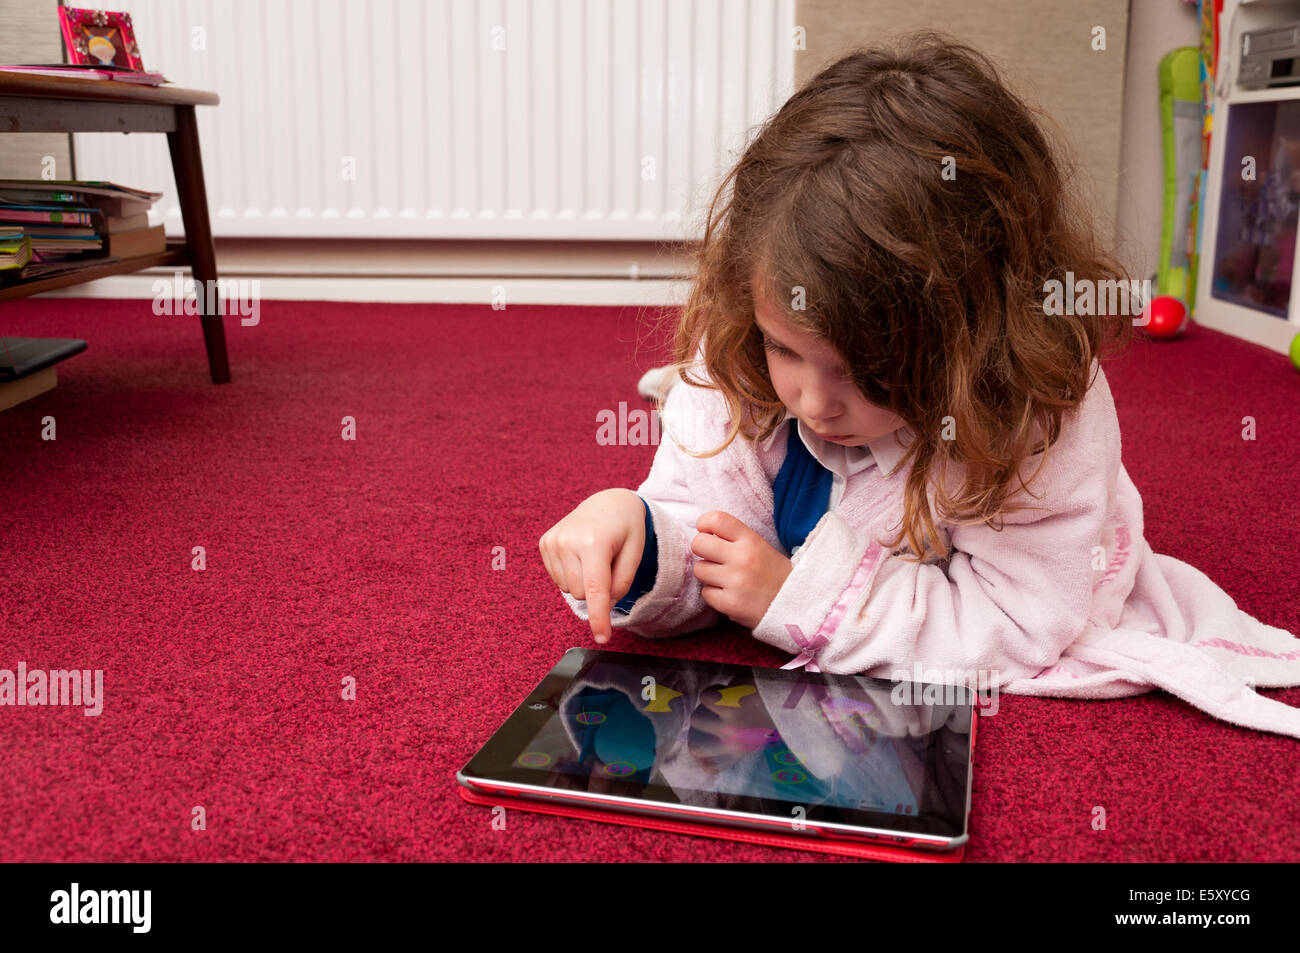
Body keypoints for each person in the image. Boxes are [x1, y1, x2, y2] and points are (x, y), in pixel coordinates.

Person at [539, 32, 1300, 740]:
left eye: (869, 372)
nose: (812, 400)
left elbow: (1019, 617)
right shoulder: (740, 348)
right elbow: (702, 525)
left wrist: (801, 602)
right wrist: (641, 540)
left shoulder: (1036, 418)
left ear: (979, 346)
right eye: (786, 349)